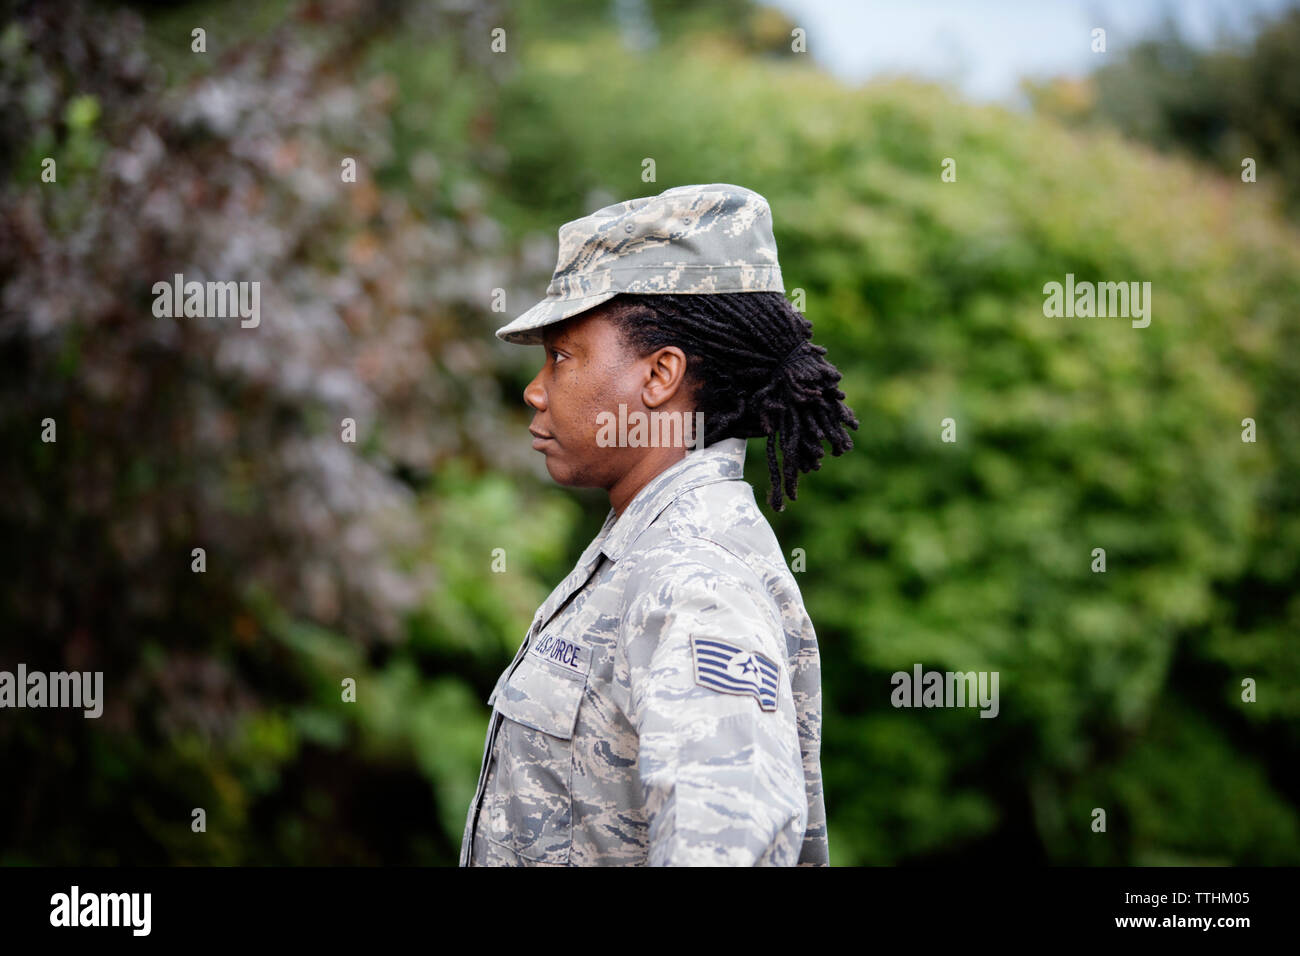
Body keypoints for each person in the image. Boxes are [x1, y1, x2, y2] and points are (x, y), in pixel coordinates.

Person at [459, 183, 858, 866]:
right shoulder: (643, 550)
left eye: (562, 356)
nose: (535, 388)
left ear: (660, 374)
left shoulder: (696, 583)